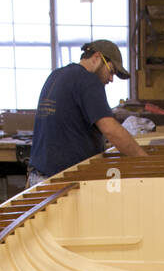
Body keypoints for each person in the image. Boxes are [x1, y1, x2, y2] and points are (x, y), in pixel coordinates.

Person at [27, 39, 143, 184]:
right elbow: (110, 129)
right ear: (97, 58)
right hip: (61, 182)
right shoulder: (89, 80)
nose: (111, 79)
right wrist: (143, 159)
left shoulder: (56, 75)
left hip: (38, 178)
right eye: (111, 71)